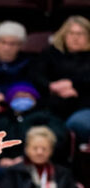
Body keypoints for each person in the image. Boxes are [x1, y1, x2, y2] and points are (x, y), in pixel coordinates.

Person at [32, 16, 90, 145]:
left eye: (81, 34)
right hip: (53, 103)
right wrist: (52, 86)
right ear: (63, 35)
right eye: (71, 33)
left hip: (85, 105)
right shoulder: (51, 53)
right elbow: (36, 75)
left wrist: (73, 85)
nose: (75, 37)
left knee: (78, 124)